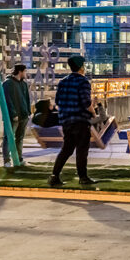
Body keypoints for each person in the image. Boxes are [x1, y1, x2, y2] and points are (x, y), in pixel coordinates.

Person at [49, 55, 96, 187]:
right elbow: (86, 102)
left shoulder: (63, 82)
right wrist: (93, 112)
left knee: (67, 149)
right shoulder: (83, 82)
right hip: (81, 120)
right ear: (81, 67)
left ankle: (54, 175)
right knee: (82, 149)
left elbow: (57, 102)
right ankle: (83, 177)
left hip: (66, 121)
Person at [2, 64, 30, 168]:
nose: (26, 73)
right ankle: (6, 161)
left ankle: (19, 158)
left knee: (20, 138)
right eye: (25, 71)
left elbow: (26, 98)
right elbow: (7, 100)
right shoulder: (7, 83)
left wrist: (28, 112)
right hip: (12, 116)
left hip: (23, 115)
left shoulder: (23, 84)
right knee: (8, 138)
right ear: (20, 72)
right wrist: (13, 114)